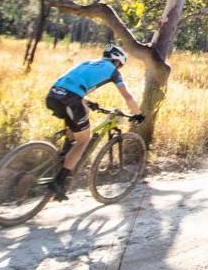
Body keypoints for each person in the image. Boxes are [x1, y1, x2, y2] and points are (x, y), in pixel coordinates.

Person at [44, 45, 143, 200]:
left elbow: (72, 85)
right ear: (118, 61)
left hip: (53, 95)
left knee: (75, 130)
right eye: (121, 65)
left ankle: (61, 161)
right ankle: (59, 182)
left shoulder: (87, 62)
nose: (120, 67)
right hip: (71, 99)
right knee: (84, 140)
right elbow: (128, 97)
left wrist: (88, 101)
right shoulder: (113, 71)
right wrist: (138, 114)